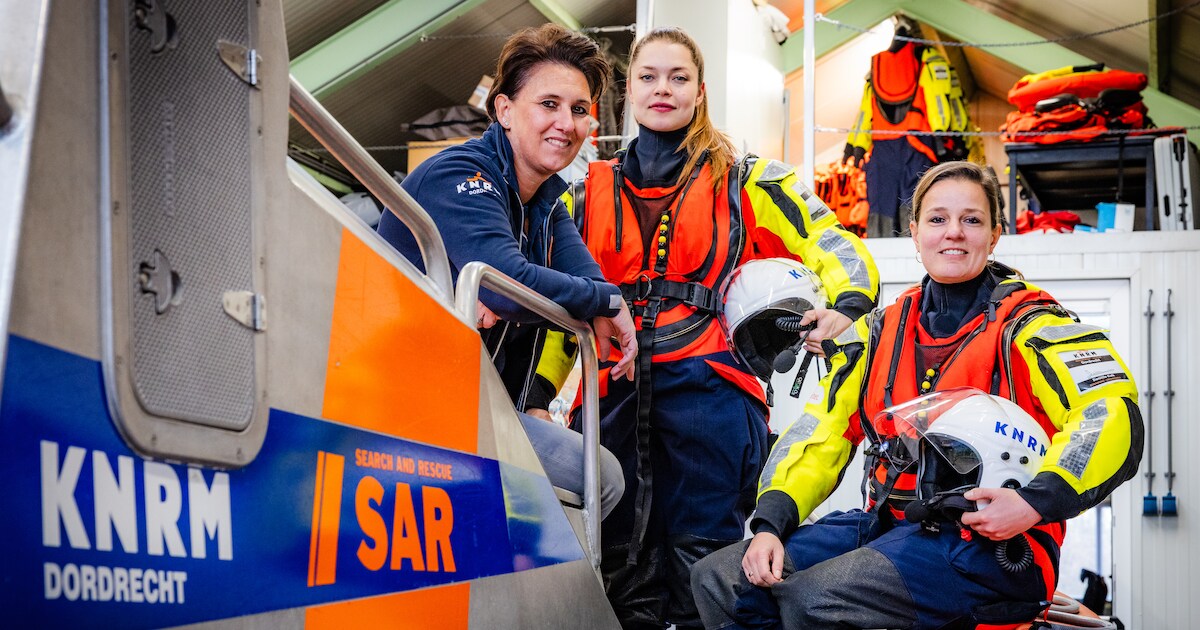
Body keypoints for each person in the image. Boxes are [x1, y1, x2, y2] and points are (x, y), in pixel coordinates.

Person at [691, 160, 1144, 629]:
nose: (954, 233)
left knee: (815, 599)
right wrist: (771, 524)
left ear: (994, 236)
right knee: (720, 578)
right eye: (937, 219)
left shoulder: (1036, 328)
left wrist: (1035, 501)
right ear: (914, 231)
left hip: (997, 546)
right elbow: (819, 435)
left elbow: (1110, 415)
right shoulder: (877, 333)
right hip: (891, 527)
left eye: (972, 220)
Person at [542, 27, 879, 629]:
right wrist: (540, 397)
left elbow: (834, 243)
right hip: (610, 399)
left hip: (713, 395)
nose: (662, 89)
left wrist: (848, 305)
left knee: (706, 562)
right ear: (627, 89)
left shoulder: (750, 179)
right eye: (648, 77)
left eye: (678, 78)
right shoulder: (580, 192)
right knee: (618, 560)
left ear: (700, 92)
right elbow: (556, 315)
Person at [376, 24, 636, 518]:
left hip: (478, 405)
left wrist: (600, 299)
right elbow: (508, 285)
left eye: (579, 110)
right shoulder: (459, 175)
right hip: (402, 407)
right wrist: (604, 304)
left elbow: (590, 281)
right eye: (549, 104)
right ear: (504, 110)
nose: (567, 122)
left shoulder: (544, 200)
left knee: (601, 475)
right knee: (596, 479)